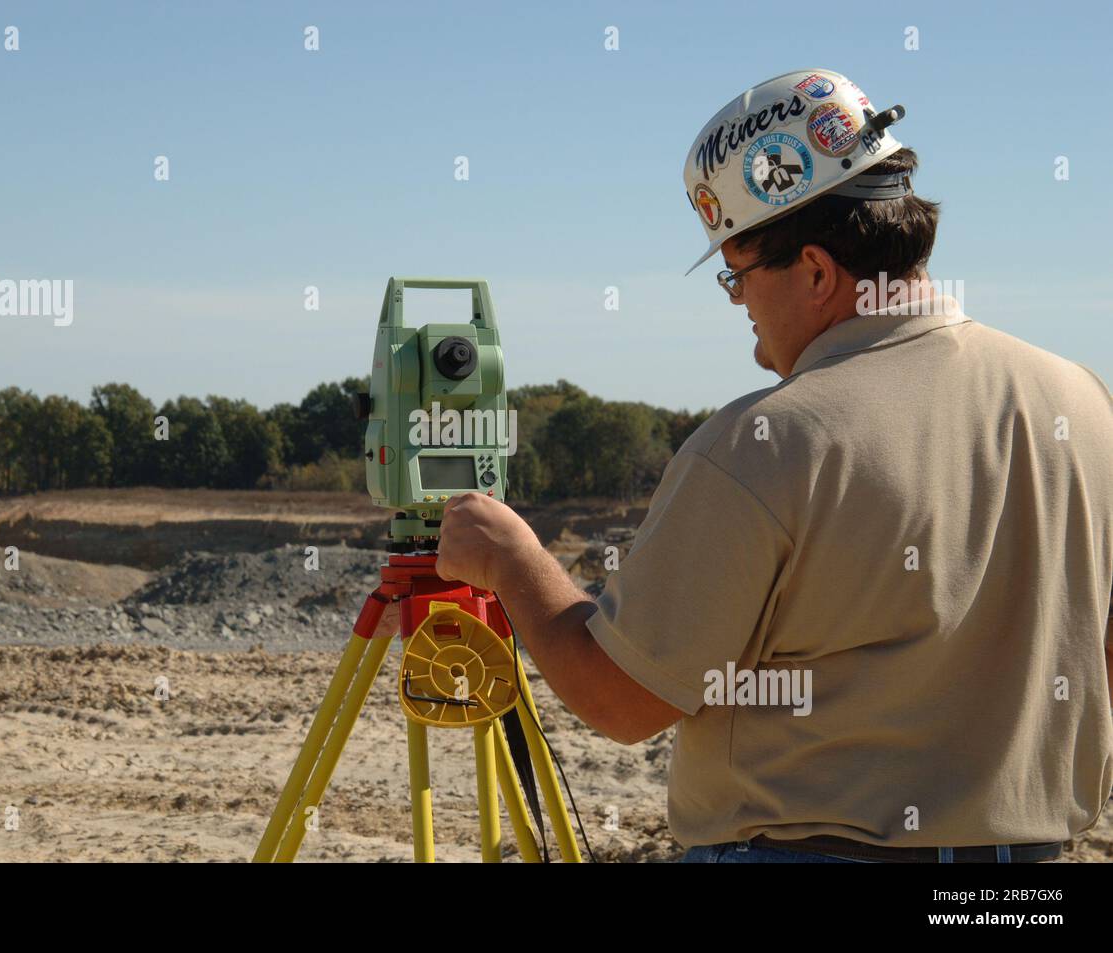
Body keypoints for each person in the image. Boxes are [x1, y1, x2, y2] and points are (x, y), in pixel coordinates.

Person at [435, 68, 1113, 863]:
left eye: (738, 274)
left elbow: (621, 700)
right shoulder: (1083, 401)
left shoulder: (768, 442)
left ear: (818, 271)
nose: (739, 306)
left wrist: (513, 561)